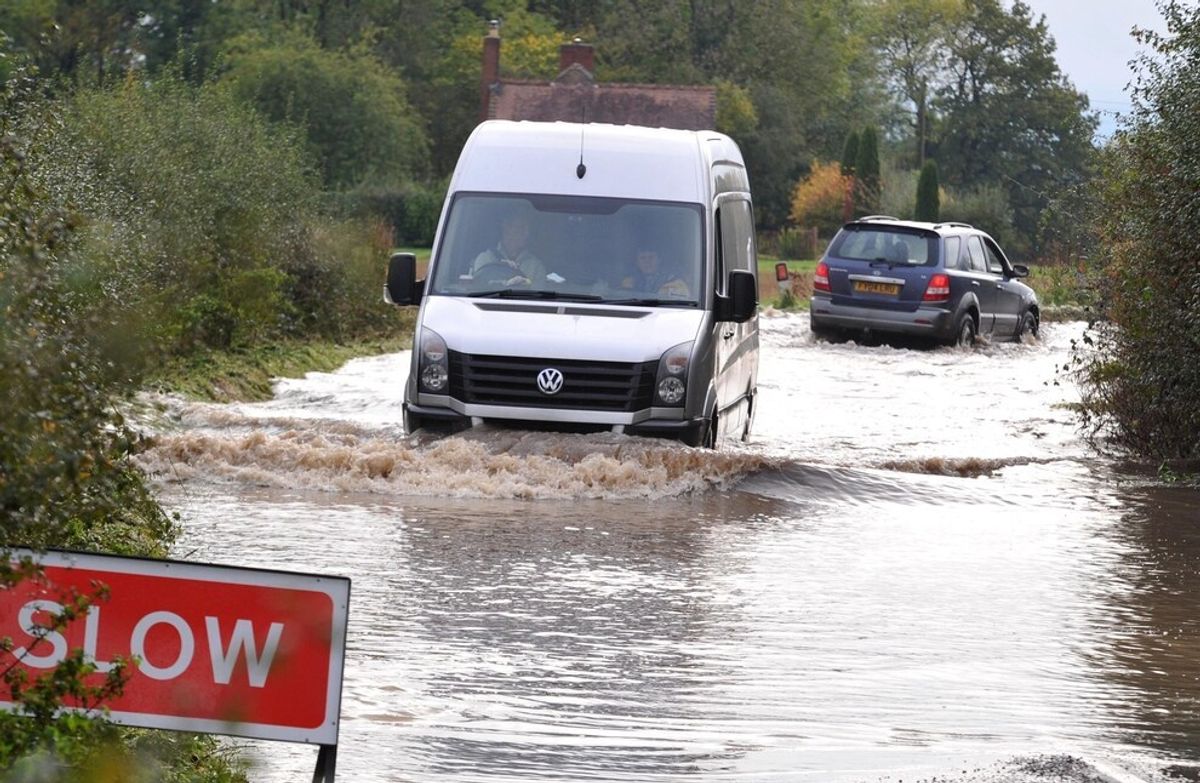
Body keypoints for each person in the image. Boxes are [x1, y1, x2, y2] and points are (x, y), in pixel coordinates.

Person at [472, 210, 546, 286]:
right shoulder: (486, 259)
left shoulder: (535, 266)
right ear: (506, 228)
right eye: (521, 227)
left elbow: (538, 294)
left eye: (528, 230)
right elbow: (479, 288)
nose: (526, 233)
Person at [621, 247, 690, 298]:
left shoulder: (675, 282)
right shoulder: (629, 282)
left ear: (659, 260)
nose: (647, 262)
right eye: (642, 258)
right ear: (637, 263)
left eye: (651, 257)